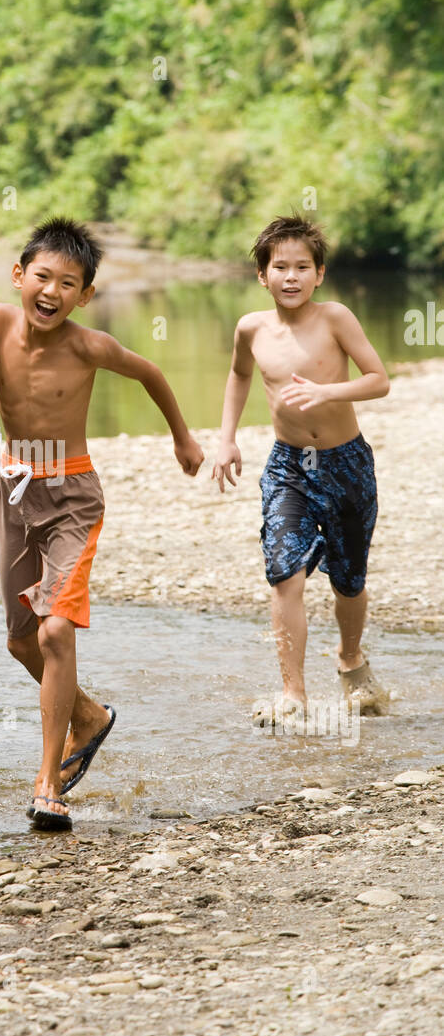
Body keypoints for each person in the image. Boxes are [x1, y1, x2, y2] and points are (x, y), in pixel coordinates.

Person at [0, 216, 204, 829]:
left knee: (57, 634)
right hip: (14, 489)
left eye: (68, 283)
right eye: (42, 276)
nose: (51, 291)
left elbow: (152, 374)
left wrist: (183, 439)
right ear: (18, 275)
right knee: (21, 641)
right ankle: (89, 715)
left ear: (84, 295)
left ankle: (48, 783)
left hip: (74, 496)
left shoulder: (91, 346)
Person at [212, 214, 390, 726]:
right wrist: (225, 439)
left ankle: (350, 659)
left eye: (302, 267)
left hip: (346, 463)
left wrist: (325, 391)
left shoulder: (336, 319)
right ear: (261, 276)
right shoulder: (251, 328)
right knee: (284, 573)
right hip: (288, 465)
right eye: (280, 267)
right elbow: (238, 377)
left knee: (349, 581)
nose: (291, 277)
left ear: (320, 274)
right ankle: (294, 692)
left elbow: (379, 380)